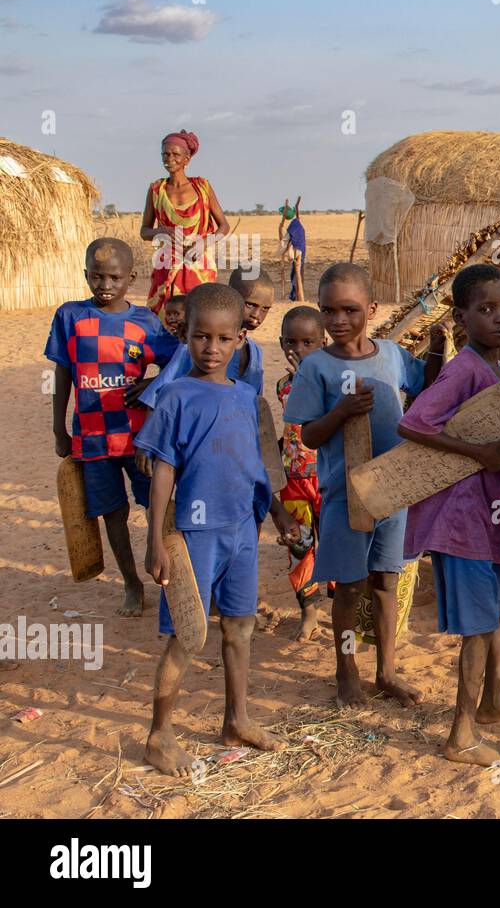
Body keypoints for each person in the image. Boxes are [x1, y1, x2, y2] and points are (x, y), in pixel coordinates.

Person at [135, 283, 298, 778]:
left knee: (241, 628)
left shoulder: (248, 398)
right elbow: (162, 470)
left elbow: (255, 468)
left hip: (241, 531)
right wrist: (156, 541)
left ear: (240, 339)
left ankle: (237, 720)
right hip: (195, 533)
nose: (212, 349)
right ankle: (159, 736)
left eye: (223, 339)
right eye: (201, 337)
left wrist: (278, 515)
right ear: (184, 336)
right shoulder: (176, 397)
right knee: (187, 633)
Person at [398, 264, 500, 765]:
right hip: (462, 519)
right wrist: (481, 457)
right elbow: (413, 423)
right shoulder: (465, 368)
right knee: (480, 626)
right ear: (461, 317)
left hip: (489, 512)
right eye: (485, 310)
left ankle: (495, 700)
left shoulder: (499, 371)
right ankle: (461, 734)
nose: (499, 318)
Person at [284, 262, 438, 707]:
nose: (338, 321)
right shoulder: (316, 367)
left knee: (386, 581)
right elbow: (308, 435)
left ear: (371, 308)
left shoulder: (390, 355)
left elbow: (425, 386)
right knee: (349, 587)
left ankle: (387, 671)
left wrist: (438, 348)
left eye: (350, 310)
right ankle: (346, 670)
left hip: (394, 492)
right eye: (329, 311)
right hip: (344, 496)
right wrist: (342, 413)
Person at [46, 239, 180, 616]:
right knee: (111, 513)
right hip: (91, 439)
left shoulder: (146, 323)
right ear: (85, 274)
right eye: (96, 276)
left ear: (131, 278)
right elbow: (62, 373)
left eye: (114, 277)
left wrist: (153, 386)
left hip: (139, 439)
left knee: (158, 507)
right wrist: (59, 429)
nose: (105, 284)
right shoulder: (69, 317)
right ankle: (131, 583)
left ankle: (167, 577)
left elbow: (179, 361)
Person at [132, 267, 272, 411]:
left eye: (265, 309)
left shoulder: (255, 352)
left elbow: (256, 404)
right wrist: (155, 383)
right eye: (250, 304)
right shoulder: (195, 344)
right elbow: (159, 396)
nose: (257, 314)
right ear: (230, 295)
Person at [275, 306, 330, 641]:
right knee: (299, 547)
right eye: (291, 342)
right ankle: (308, 609)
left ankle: (341, 608)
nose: (298, 349)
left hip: (328, 478)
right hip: (294, 480)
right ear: (282, 344)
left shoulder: (333, 381)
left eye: (308, 342)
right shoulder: (285, 384)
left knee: (337, 543)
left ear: (323, 343)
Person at [140, 130, 230, 315]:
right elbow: (144, 231)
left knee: (200, 314)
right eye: (165, 154)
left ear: (187, 159)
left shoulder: (202, 187)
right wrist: (161, 231)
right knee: (164, 316)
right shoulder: (157, 189)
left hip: (198, 263)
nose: (169, 158)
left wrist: (204, 243)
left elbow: (224, 226)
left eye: (175, 154)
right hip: (166, 265)